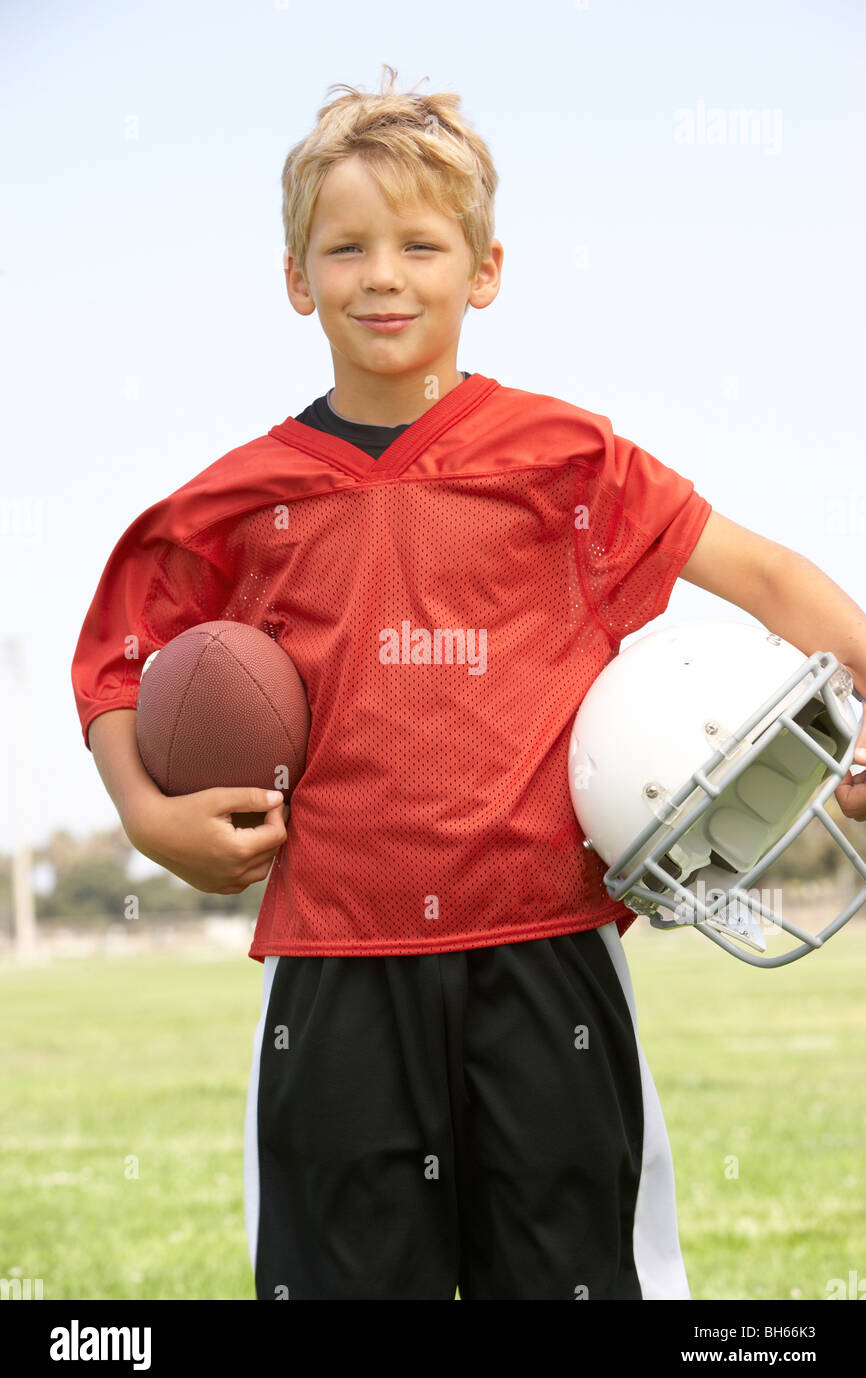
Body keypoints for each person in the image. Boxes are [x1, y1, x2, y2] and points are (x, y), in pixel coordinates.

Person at [71, 65, 866, 1301]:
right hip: (335, 967)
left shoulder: (559, 458)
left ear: (483, 270)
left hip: (545, 955)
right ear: (296, 280)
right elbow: (115, 657)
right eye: (345, 247)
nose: (382, 274)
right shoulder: (238, 497)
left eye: (419, 244)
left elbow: (761, 574)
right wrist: (143, 811)